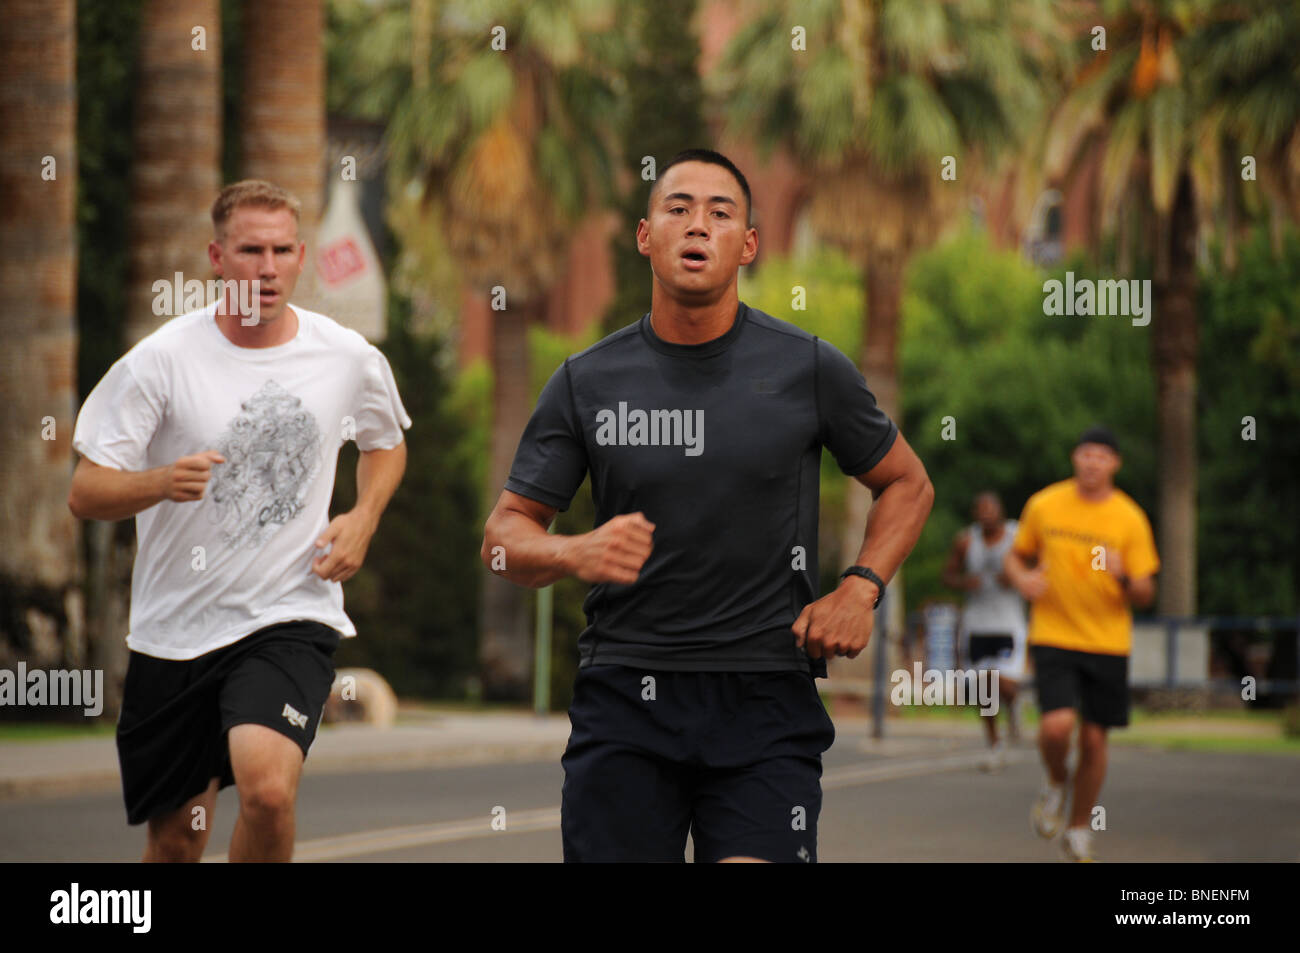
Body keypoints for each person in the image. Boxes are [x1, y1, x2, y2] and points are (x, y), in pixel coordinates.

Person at [481, 149, 934, 863]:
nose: (699, 225)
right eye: (678, 208)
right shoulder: (587, 381)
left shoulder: (808, 369)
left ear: (749, 243)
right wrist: (573, 550)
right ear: (645, 235)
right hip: (626, 696)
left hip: (764, 698)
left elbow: (907, 481)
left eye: (721, 213)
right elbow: (504, 536)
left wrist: (861, 586)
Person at [68, 180, 411, 862]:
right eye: (250, 249)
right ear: (217, 258)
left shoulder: (344, 356)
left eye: (282, 250)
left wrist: (364, 515)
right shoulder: (162, 361)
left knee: (267, 792)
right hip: (175, 634)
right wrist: (159, 481)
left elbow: (386, 441)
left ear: (301, 256)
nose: (267, 266)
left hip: (287, 615)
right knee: (174, 843)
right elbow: (86, 490)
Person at [1003, 426, 1158, 862]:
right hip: (1053, 632)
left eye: (1102, 456)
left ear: (1115, 464)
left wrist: (1124, 576)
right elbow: (1016, 554)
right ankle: (1055, 780)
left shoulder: (1129, 517)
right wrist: (1021, 578)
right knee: (1055, 726)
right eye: (1085, 454)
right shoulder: (1045, 504)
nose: (1092, 462)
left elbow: (1146, 592)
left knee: (1093, 740)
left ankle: (1078, 827)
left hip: (1107, 642)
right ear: (1075, 459)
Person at [941, 491, 1026, 769]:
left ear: (1001, 511)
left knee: (1006, 685)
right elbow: (948, 575)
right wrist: (966, 582)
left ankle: (1013, 707)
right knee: (982, 687)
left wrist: (1017, 577)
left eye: (992, 509)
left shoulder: (1018, 535)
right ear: (975, 514)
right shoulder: (966, 541)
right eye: (982, 509)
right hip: (977, 624)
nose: (987, 514)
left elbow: (1040, 565)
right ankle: (994, 744)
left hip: (1009, 623)